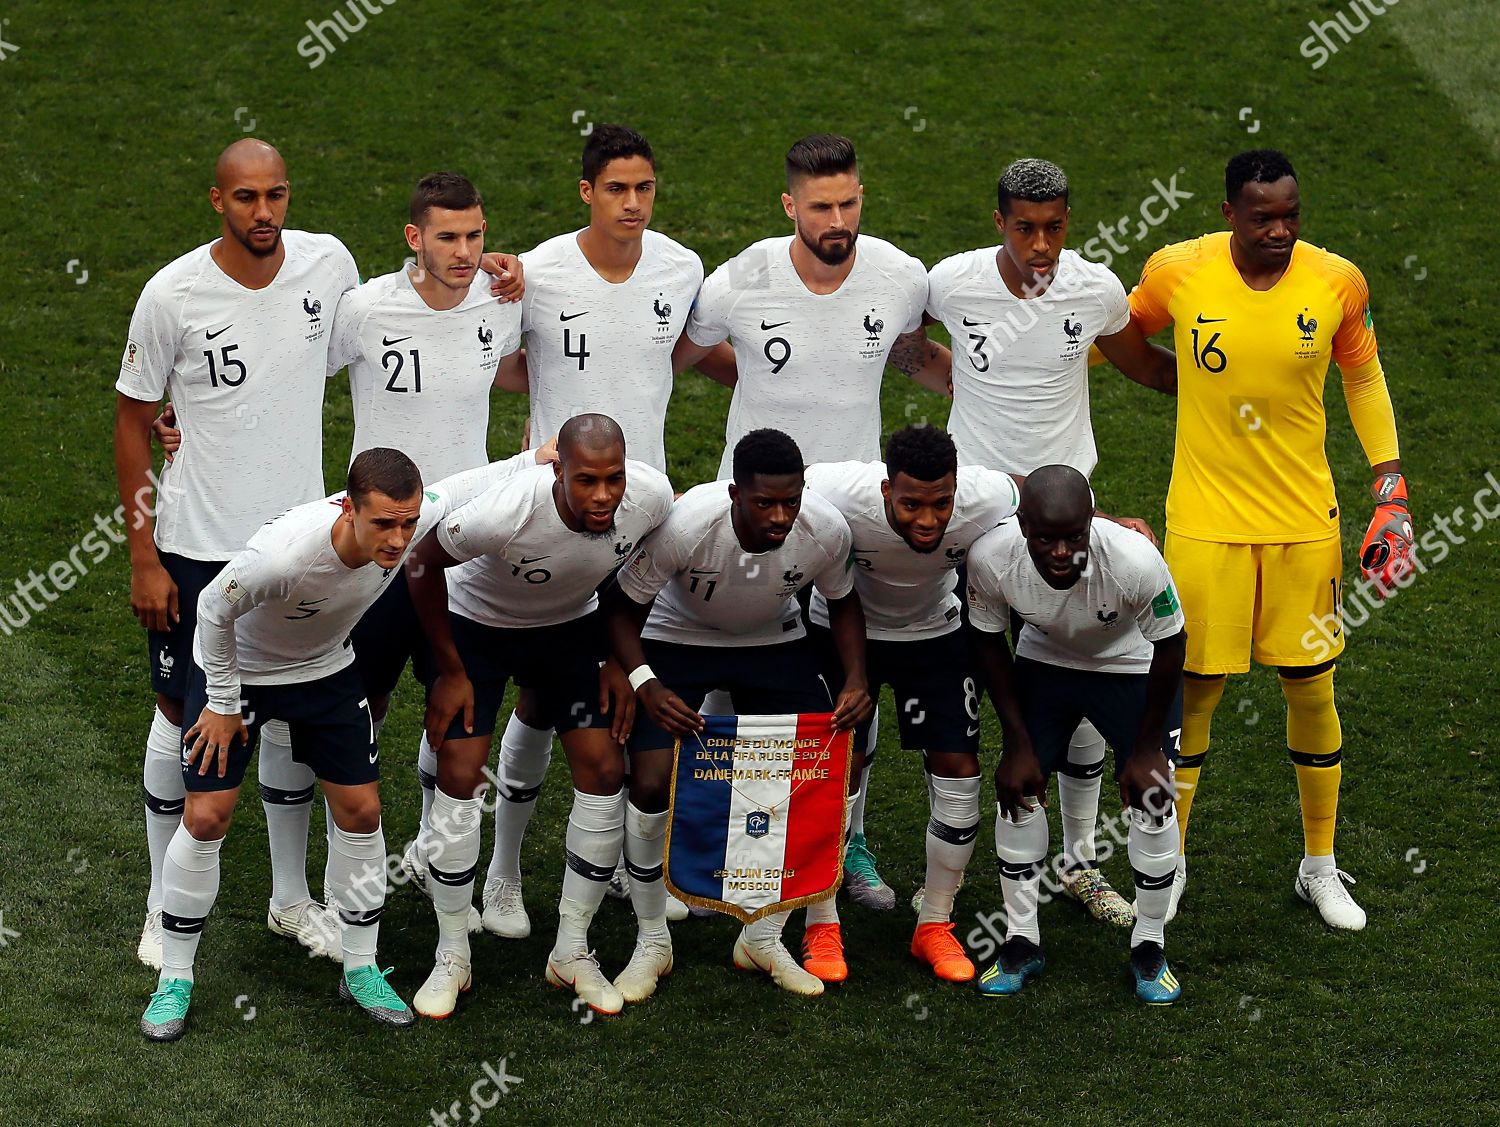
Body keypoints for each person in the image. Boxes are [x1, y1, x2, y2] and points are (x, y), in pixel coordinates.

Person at [1128, 149, 1410, 929]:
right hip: (1206, 522)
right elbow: (1117, 332)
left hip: (1301, 523)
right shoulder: (1179, 270)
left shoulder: (1336, 281)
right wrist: (1155, 375)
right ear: (1229, 215)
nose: (1281, 230)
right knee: (1196, 694)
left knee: (1311, 684)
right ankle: (1169, 862)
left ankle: (1318, 865)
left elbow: (1363, 376)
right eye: (1263, 219)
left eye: (1291, 215)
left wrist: (1391, 489)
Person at [672, 133, 949, 909]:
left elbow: (909, 355)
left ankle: (845, 845)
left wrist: (997, 400)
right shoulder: (738, 284)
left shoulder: (899, 276)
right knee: (732, 676)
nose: (839, 219)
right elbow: (678, 359)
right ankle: (714, 841)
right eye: (822, 206)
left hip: (850, 515)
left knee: (840, 695)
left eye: (850, 202)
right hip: (751, 513)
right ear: (790, 204)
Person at [116, 138, 358, 969]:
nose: (265, 213)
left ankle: (290, 899)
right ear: (216, 201)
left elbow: (370, 339)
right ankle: (159, 902)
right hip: (193, 547)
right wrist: (143, 555)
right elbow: (130, 417)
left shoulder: (329, 266)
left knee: (290, 710)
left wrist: (493, 277)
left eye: (277, 195)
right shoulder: (172, 294)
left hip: (298, 547)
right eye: (247, 198)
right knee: (180, 713)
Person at [921, 156, 1177, 927]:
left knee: (1083, 659)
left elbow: (1141, 364)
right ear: (997, 220)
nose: (1041, 244)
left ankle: (1075, 864)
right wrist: (957, 379)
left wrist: (1235, 380)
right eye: (1026, 227)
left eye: (1055, 228)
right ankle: (951, 865)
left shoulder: (1093, 289)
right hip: (977, 514)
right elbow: (896, 344)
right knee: (967, 673)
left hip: (1067, 511)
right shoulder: (949, 283)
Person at [139, 447, 463, 1040]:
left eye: (408, 522)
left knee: (362, 811)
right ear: (348, 509)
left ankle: (361, 966)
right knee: (207, 817)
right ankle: (175, 980)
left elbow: (466, 484)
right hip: (241, 674)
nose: (398, 539)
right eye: (384, 524)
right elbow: (212, 607)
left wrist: (537, 459)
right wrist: (222, 702)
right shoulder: (286, 554)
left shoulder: (415, 518)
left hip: (325, 673)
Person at [480, 124, 707, 933]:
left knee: (623, 686)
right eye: (618, 188)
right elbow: (497, 364)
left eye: (645, 187)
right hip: (557, 515)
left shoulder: (682, 268)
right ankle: (502, 874)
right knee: (542, 694)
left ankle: (614, 866)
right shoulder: (535, 273)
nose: (634, 203)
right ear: (587, 192)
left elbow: (675, 353)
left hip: (644, 515)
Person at [406, 415, 673, 1017]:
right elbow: (421, 565)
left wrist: (615, 655)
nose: (603, 496)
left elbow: (647, 568)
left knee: (606, 770)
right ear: (557, 470)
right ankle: (452, 953)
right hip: (480, 630)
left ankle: (572, 950)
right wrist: (449, 670)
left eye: (614, 479)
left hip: (568, 631)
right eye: (586, 481)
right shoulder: (509, 510)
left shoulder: (651, 498)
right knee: (460, 769)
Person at [321, 171, 523, 933]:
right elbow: (298, 371)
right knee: (358, 718)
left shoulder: (501, 304)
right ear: (414, 239)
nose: (466, 251)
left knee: (458, 715)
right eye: (448, 237)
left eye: (476, 235)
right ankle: (351, 893)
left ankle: (447, 877)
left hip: (460, 554)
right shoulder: (366, 309)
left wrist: (517, 269)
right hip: (375, 558)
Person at [606, 428, 872, 997]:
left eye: (790, 501)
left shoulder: (824, 529)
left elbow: (844, 602)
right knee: (651, 782)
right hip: (677, 638)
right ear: (734, 495)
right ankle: (652, 939)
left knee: (812, 773)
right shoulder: (688, 526)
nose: (780, 516)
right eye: (764, 503)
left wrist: (855, 678)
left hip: (772, 642)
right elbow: (621, 609)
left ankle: (763, 937)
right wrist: (646, 683)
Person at [801, 425, 1020, 983]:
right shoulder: (835, 489)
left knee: (959, 771)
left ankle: (935, 925)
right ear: (883, 491)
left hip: (936, 634)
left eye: (941, 504)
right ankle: (820, 924)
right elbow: (761, 488)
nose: (927, 520)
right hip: (842, 635)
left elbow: (1036, 491)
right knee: (831, 771)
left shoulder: (986, 495)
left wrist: (1110, 521)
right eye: (911, 504)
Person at [966, 466, 1187, 1004]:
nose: (1061, 552)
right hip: (1048, 664)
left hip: (1131, 665)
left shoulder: (1134, 560)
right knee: (1016, 791)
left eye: (1073, 537)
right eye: (1045, 538)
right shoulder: (991, 558)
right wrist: (1017, 743)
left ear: (1093, 521)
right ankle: (1022, 940)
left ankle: (1150, 944)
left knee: (1155, 795)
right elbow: (989, 644)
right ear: (1021, 525)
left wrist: (1147, 748)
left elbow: (1173, 644)